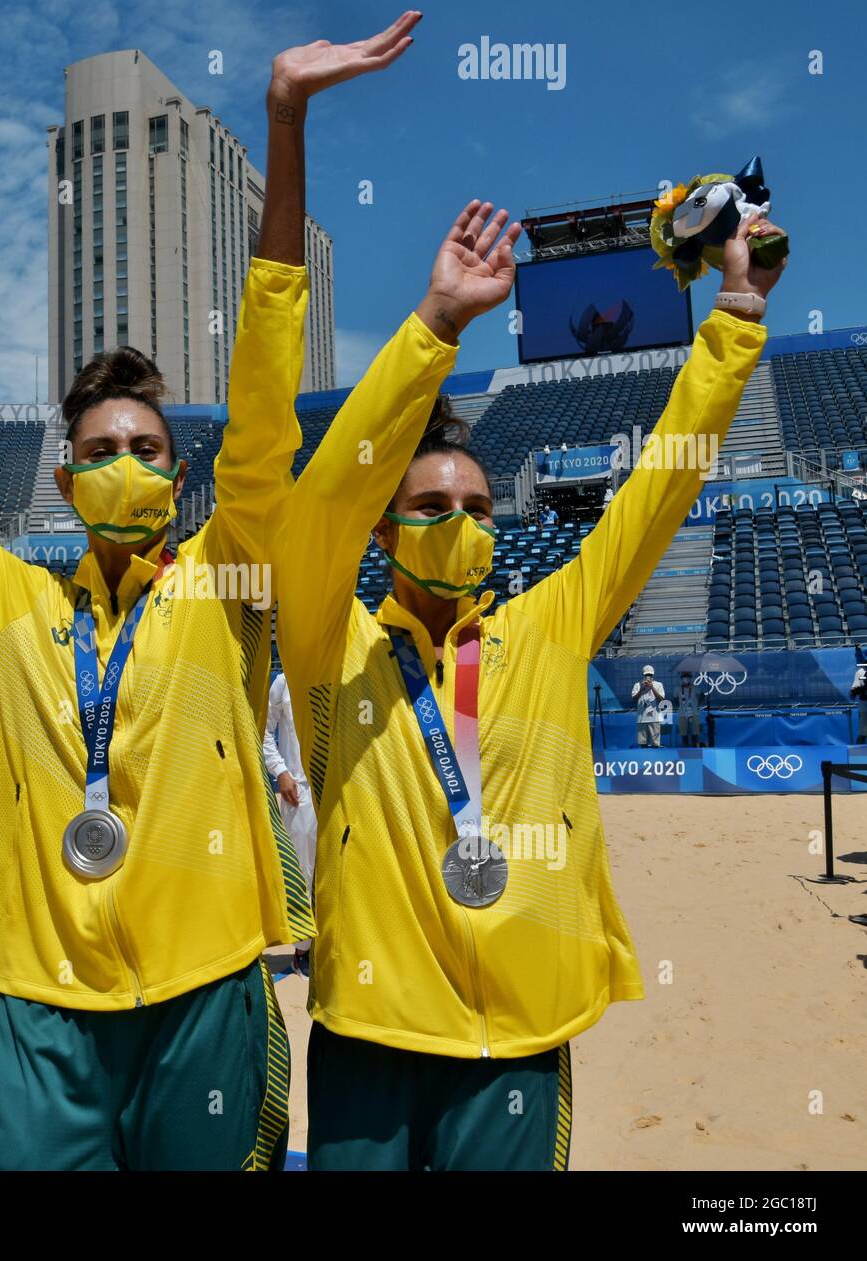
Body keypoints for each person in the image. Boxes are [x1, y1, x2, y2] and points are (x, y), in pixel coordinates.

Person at [0, 11, 422, 1170]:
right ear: (65, 480)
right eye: (105, 448)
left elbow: (262, 415)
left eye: (152, 450)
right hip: (41, 1010)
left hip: (208, 997)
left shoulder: (226, 579)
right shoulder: (1, 601)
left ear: (178, 474)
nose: (129, 464)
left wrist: (284, 118)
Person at [274, 197, 785, 1170]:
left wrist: (733, 322)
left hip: (520, 1032)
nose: (460, 522)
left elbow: (658, 487)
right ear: (381, 533)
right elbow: (313, 512)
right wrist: (434, 325)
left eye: (475, 506)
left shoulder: (548, 624)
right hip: (367, 1034)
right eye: (429, 507)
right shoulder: (324, 641)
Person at [263, 671, 316, 976]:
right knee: (302, 871)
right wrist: (280, 772)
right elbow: (265, 731)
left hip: (336, 788)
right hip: (299, 790)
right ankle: (302, 951)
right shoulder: (283, 682)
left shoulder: (337, 671)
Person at [632, 665, 666, 747]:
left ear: (653, 675)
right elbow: (634, 699)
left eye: (650, 675)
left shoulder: (659, 684)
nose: (648, 677)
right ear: (643, 675)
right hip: (642, 718)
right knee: (642, 743)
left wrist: (652, 688)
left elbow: (661, 699)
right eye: (646, 675)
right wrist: (642, 689)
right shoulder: (637, 685)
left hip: (655, 717)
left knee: (655, 743)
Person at [677, 672, 702, 748]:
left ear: (690, 678)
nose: (686, 679)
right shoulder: (677, 689)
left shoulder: (695, 687)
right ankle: (685, 747)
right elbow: (675, 699)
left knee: (695, 732)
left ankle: (695, 747)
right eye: (684, 677)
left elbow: (702, 695)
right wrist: (681, 706)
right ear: (682, 679)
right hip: (682, 713)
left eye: (688, 677)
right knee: (683, 732)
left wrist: (698, 704)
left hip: (694, 713)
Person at [851, 657, 867, 744]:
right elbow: (853, 692)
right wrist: (862, 689)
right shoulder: (860, 672)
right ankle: (857, 755)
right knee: (863, 733)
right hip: (865, 706)